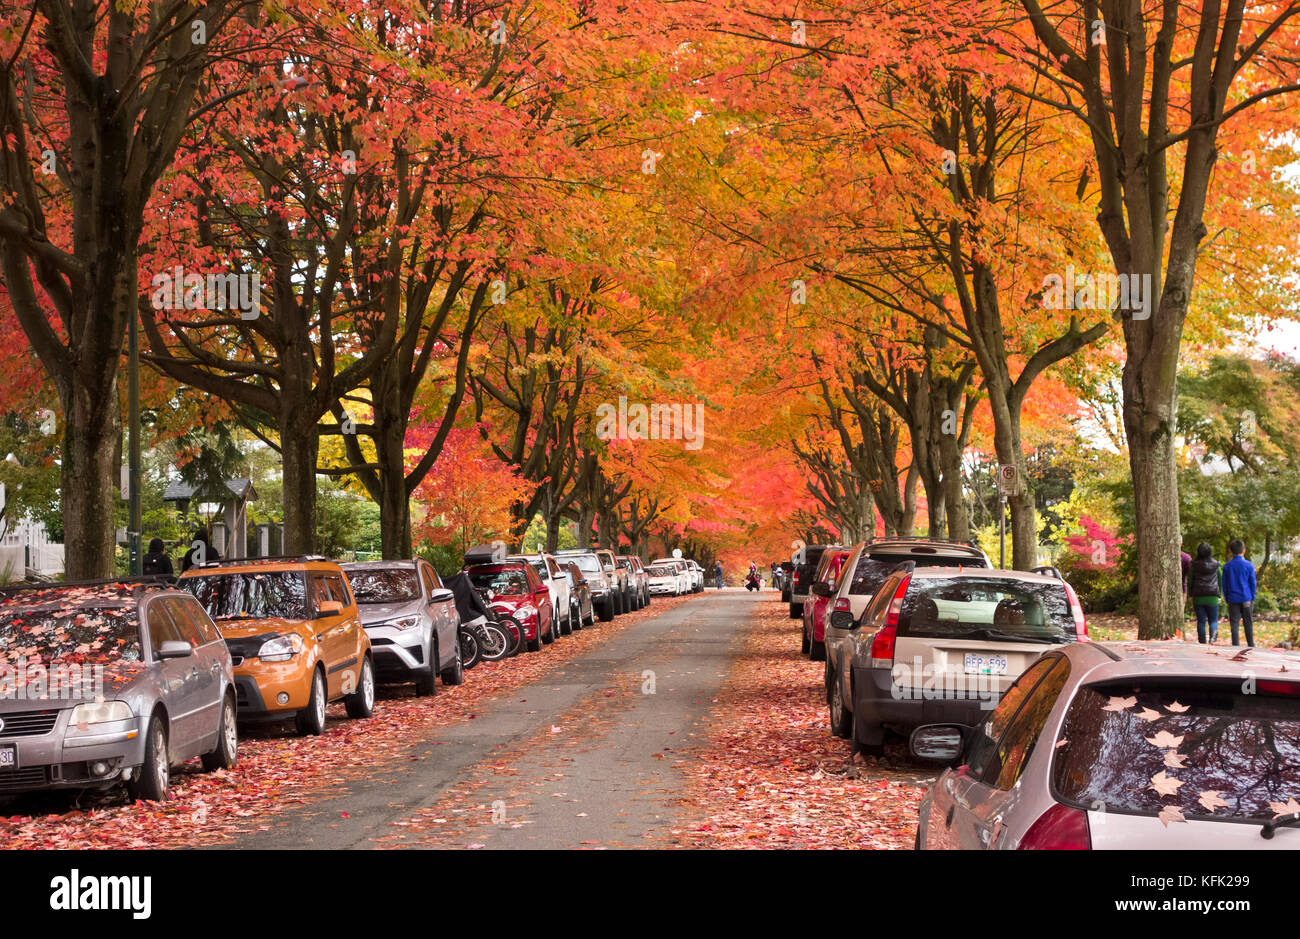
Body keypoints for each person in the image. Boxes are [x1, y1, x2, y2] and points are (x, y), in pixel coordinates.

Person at [1221, 538, 1257, 648]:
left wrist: (1227, 597)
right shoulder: (1249, 565)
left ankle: (1235, 645)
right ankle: (1251, 644)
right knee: (1248, 622)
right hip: (1246, 597)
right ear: (1244, 551)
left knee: (1234, 623)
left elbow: (1224, 584)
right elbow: (1252, 582)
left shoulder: (1227, 566)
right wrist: (1252, 596)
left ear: (1231, 551)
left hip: (1233, 598)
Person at [1187, 542, 1221, 644]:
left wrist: (1190, 594)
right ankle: (1213, 638)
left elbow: (1190, 580)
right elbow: (1220, 579)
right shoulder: (1216, 565)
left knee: (1201, 621)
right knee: (1213, 620)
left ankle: (1202, 641)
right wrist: (1219, 595)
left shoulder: (1194, 565)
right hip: (1212, 596)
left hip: (1198, 596)